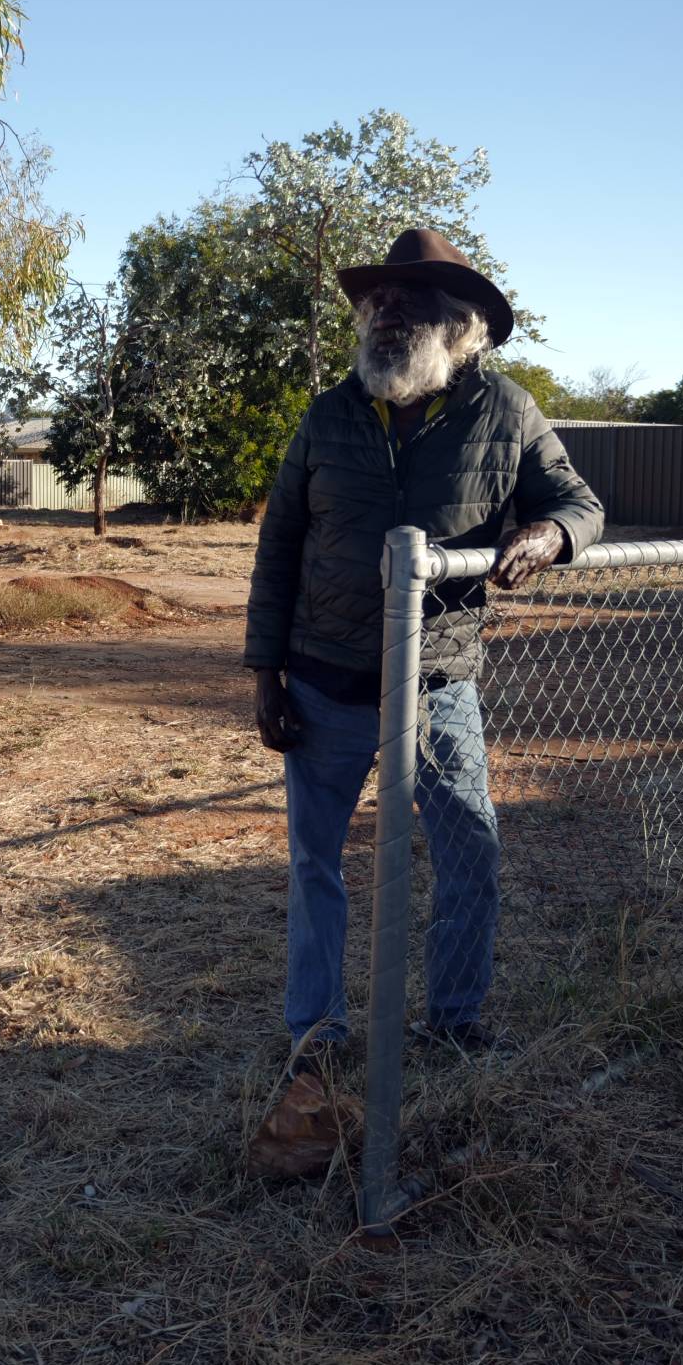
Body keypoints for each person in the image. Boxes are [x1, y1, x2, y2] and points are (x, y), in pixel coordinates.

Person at [241, 227, 603, 1178]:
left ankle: (456, 1022)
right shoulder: (328, 415)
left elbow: (581, 502)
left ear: (465, 326)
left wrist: (550, 537)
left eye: (414, 300)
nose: (388, 311)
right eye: (378, 300)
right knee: (316, 864)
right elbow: (279, 545)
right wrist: (263, 673)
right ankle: (316, 1035)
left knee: (471, 855)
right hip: (321, 681)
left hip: (439, 685)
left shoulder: (506, 410)